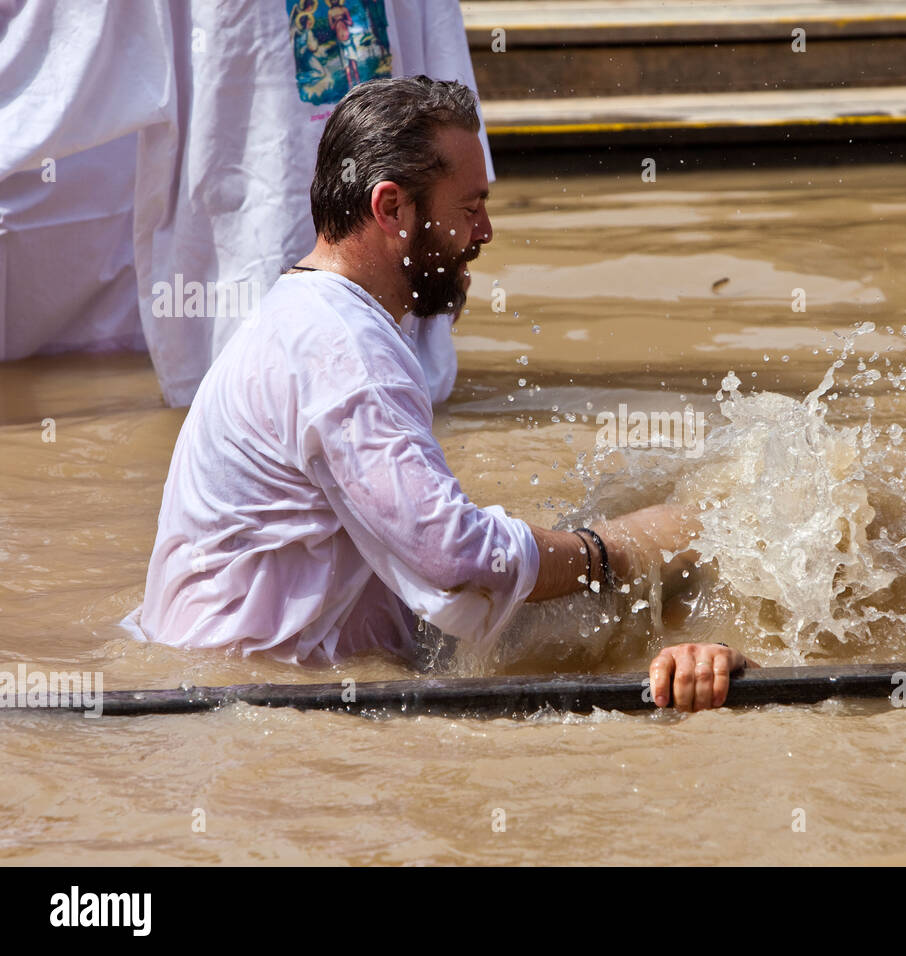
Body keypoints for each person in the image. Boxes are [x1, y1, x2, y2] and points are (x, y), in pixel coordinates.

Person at [125, 76, 746, 712]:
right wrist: (619, 548)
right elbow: (454, 559)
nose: (485, 232)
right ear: (391, 208)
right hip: (243, 704)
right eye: (470, 206)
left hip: (220, 682)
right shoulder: (345, 352)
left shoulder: (307, 316)